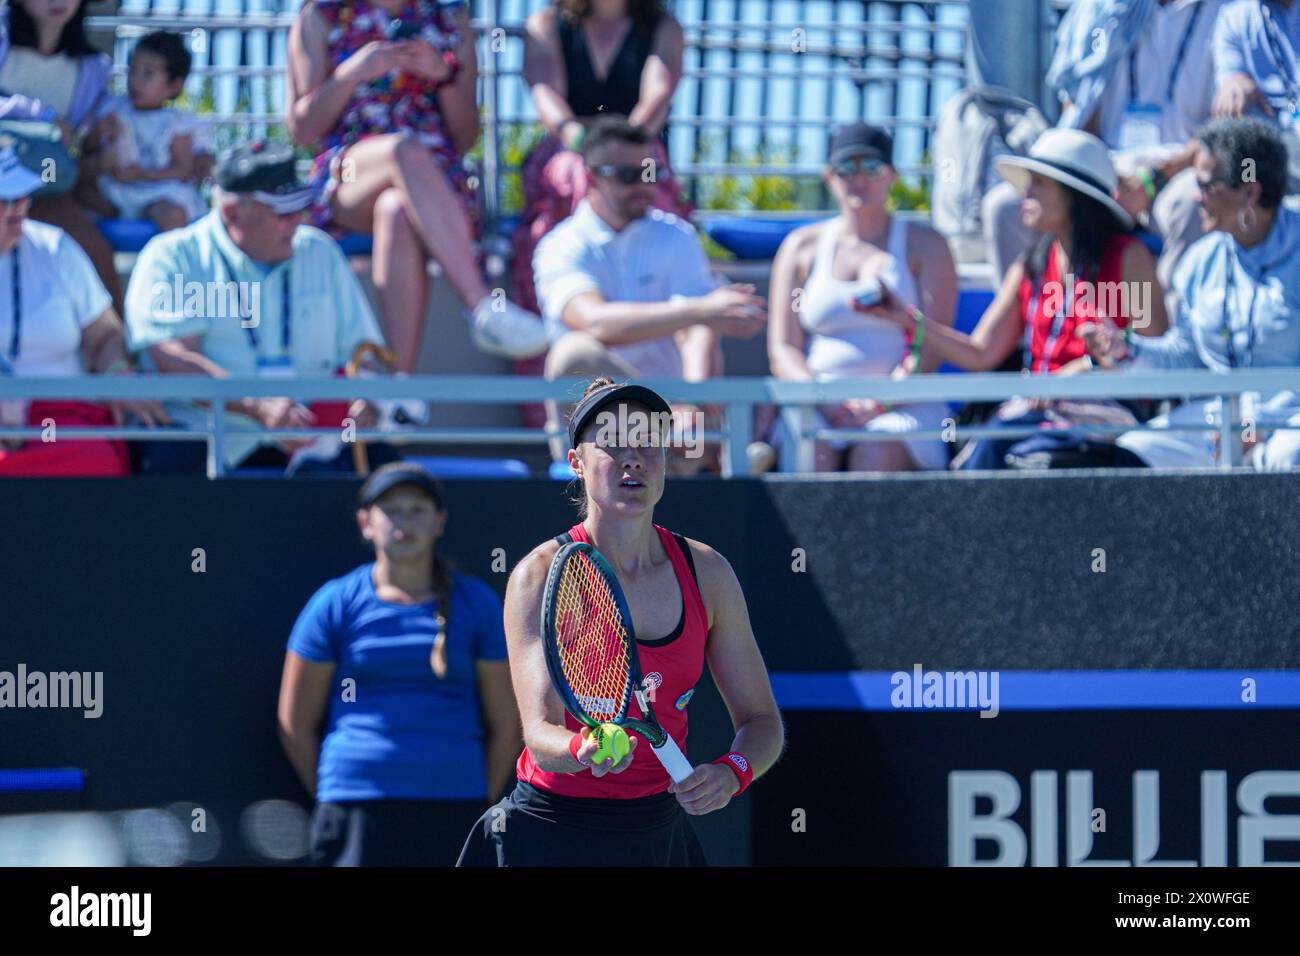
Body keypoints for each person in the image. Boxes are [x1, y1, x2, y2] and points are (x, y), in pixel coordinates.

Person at [457, 378, 784, 866]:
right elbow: (540, 735)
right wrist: (582, 747)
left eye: (648, 443)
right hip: (548, 832)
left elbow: (762, 722)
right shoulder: (537, 575)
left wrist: (733, 771)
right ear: (577, 463)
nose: (633, 459)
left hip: (658, 835)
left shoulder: (708, 573)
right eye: (611, 443)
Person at [864, 128, 1170, 470]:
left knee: (1002, 450)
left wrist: (1083, 370)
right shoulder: (1031, 265)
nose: (1025, 191)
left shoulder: (1131, 257)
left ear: (1074, 195)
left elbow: (1151, 352)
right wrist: (908, 320)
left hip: (1106, 414)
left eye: (1039, 182)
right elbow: (980, 352)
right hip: (1035, 412)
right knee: (986, 450)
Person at [278, 463, 521, 865]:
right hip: (353, 806)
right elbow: (295, 724)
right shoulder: (333, 603)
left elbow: (508, 725)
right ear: (366, 523)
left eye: (417, 509)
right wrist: (339, 789)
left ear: (439, 521)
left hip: (455, 806)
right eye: (391, 509)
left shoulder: (477, 603)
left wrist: (474, 796)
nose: (403, 521)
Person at [286, 0, 547, 370]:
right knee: (402, 151)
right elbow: (303, 130)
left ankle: (400, 389)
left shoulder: (450, 19)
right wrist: (349, 74)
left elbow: (464, 136)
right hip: (348, 174)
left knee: (396, 209)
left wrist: (443, 76)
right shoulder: (321, 16)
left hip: (434, 184)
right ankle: (480, 303)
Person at [124, 141, 390, 475]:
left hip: (311, 442)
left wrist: (363, 399)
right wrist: (256, 405)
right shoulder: (172, 256)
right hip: (208, 438)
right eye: (284, 213)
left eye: (301, 209)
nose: (299, 221)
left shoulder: (319, 250)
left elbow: (361, 355)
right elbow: (174, 360)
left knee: (397, 484)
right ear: (233, 213)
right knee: (172, 474)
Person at [533, 116, 766, 467]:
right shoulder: (560, 245)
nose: (645, 185)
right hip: (602, 436)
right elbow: (595, 323)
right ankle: (708, 458)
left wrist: (693, 401)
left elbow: (699, 331)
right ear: (592, 176)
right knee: (573, 354)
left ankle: (694, 454)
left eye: (652, 172)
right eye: (629, 175)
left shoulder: (676, 235)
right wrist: (701, 310)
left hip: (675, 433)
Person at [1081, 118, 1300, 470]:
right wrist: (1127, 349)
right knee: (1136, 451)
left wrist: (1261, 425)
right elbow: (1186, 356)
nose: (1196, 196)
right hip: (1223, 416)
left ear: (1249, 191)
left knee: (1287, 457)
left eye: (1205, 185)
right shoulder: (1202, 259)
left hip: (1291, 419)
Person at [988, 0, 1225, 299]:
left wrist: (1152, 179)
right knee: (1006, 209)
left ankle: (1164, 338)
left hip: (1180, 169)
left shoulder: (1227, 11)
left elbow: (1224, 131)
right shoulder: (1100, 10)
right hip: (1103, 167)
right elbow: (1080, 114)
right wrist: (1099, 176)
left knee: (1190, 204)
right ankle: (1037, 335)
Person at [767, 121, 958, 472]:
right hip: (817, 406)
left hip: (906, 405)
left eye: (871, 167)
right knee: (813, 458)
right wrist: (822, 401)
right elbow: (783, 349)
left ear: (891, 175)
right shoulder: (800, 247)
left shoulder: (927, 244)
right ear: (829, 177)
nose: (858, 179)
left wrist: (880, 403)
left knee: (874, 455)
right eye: (845, 168)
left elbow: (929, 346)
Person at [514, 0, 692, 317]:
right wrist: (587, 148)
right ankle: (562, 313)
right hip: (567, 151)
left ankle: (646, 314)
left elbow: (658, 94)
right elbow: (545, 93)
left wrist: (623, 154)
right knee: (575, 176)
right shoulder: (545, 25)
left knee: (649, 183)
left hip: (643, 153)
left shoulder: (664, 28)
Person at [0, 144, 166, 476]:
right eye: (6, 199)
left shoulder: (55, 248)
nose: (20, 207)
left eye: (24, 196)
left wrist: (118, 375)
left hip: (52, 420)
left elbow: (104, 334)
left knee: (91, 458)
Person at [0, 0, 121, 316]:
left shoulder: (93, 67)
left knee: (95, 253)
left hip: (48, 183)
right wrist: (43, 115)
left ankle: (117, 356)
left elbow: (82, 140)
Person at [82, 31, 205, 232]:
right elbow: (86, 148)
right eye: (133, 70)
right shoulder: (113, 108)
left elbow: (183, 170)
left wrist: (143, 174)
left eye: (148, 74)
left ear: (174, 85)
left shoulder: (175, 122)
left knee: (171, 214)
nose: (136, 81)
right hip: (116, 190)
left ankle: (170, 260)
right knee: (77, 191)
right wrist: (99, 131)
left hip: (157, 192)